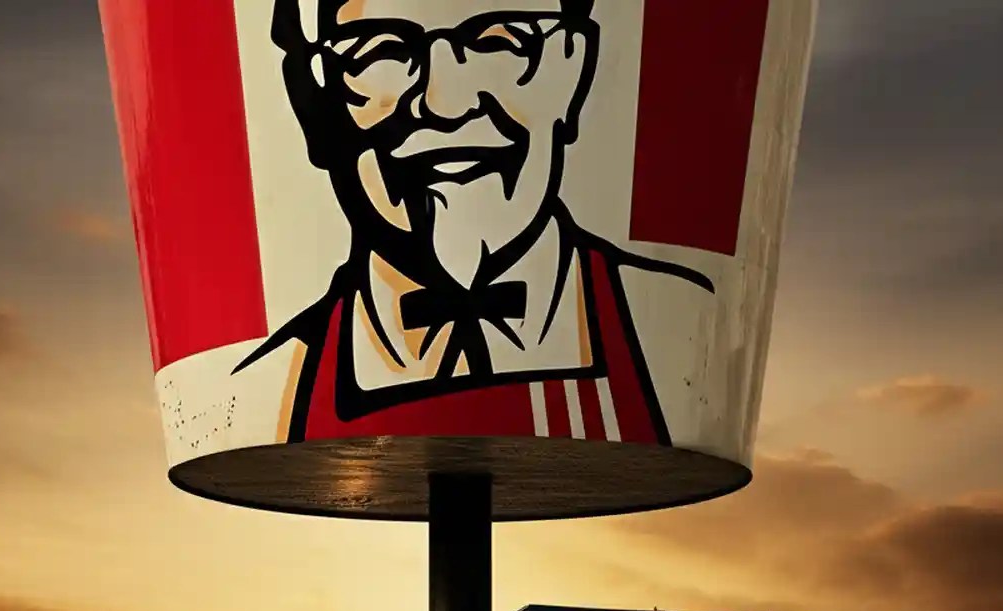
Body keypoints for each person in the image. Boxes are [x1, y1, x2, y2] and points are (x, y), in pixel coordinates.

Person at [235, 0, 715, 446]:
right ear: (313, 105)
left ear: (572, 71)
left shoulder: (685, 339)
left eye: (499, 42)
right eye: (383, 51)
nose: (446, 104)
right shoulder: (268, 393)